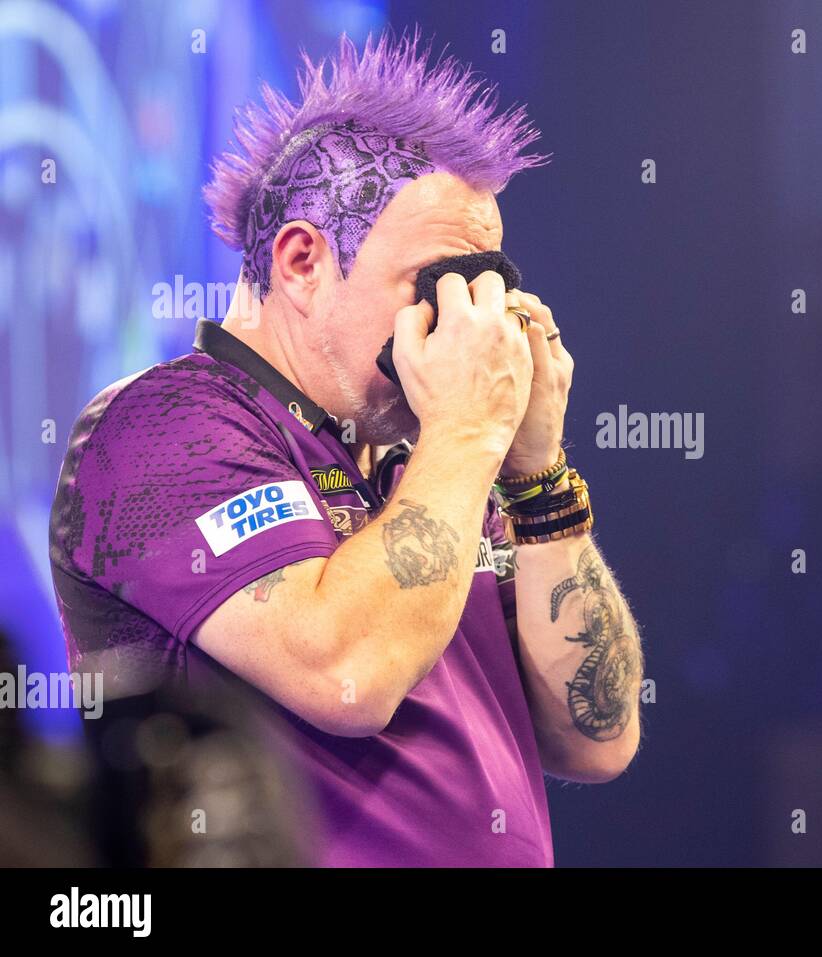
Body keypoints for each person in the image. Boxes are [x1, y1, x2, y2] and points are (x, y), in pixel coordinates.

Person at [47, 30, 643, 867]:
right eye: (439, 285)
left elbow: (597, 737)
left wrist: (538, 479)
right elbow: (347, 672)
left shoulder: (428, 461)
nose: (472, 324)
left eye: (488, 288)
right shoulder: (166, 426)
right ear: (301, 261)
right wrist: (470, 432)